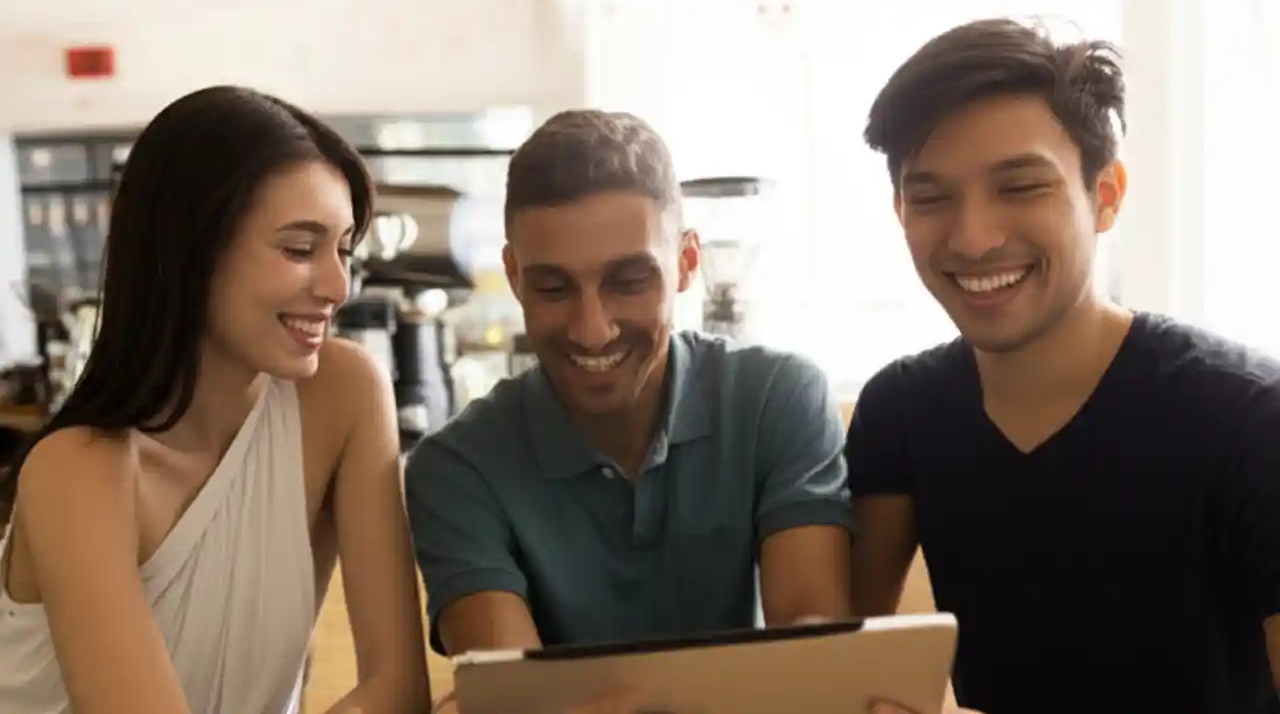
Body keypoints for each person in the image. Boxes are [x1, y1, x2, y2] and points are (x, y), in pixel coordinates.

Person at [845, 17, 1280, 714]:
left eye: (1020, 187)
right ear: (900, 209)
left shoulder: (1249, 419)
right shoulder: (903, 410)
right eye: (931, 197)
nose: (974, 238)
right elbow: (834, 668)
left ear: (1104, 196)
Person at [0, 86, 430, 714]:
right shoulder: (79, 471)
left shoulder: (341, 395)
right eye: (298, 249)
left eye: (343, 250)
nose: (338, 286)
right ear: (190, 252)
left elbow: (397, 690)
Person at [405, 109, 854, 663]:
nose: (592, 329)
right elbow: (512, 700)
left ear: (687, 262)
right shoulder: (456, 467)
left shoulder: (777, 400)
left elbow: (814, 659)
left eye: (630, 281)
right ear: (515, 277)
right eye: (552, 287)